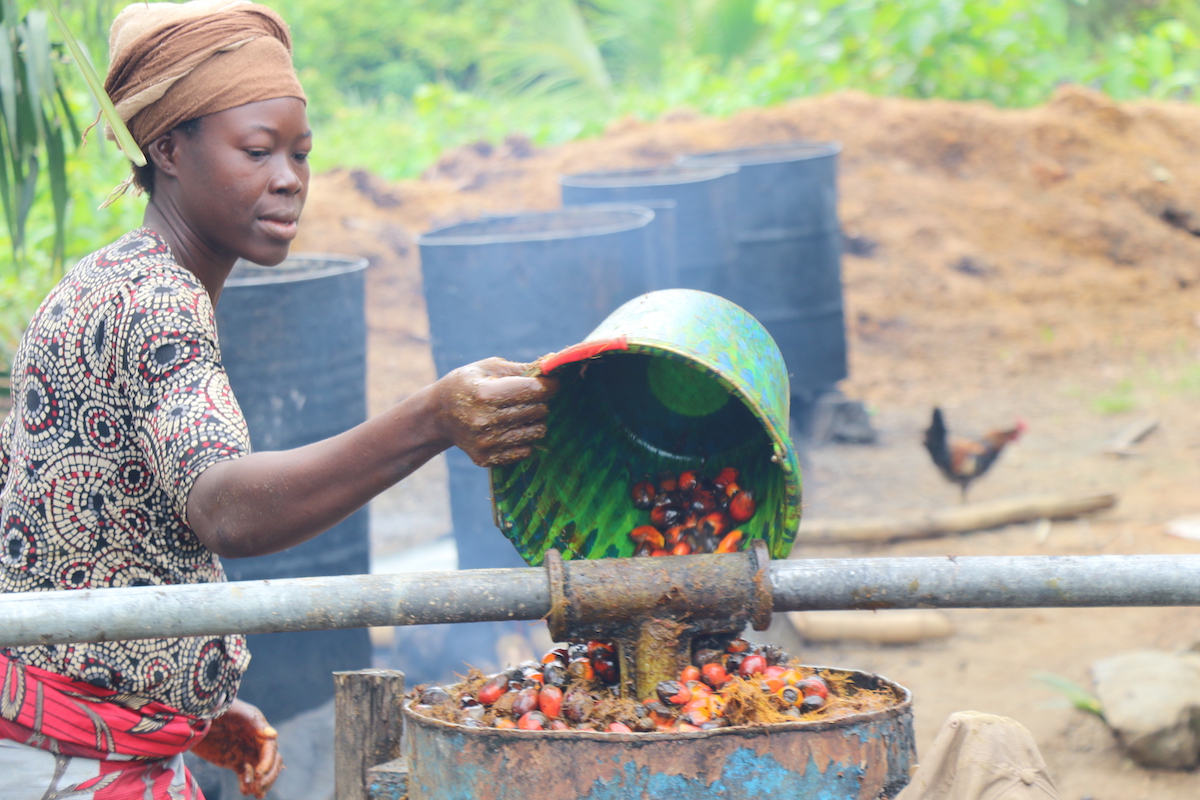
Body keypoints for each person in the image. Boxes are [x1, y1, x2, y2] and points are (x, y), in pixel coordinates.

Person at [0, 1, 557, 797]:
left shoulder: (97, 282)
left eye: (300, 153)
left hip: (72, 734)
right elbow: (228, 510)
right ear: (167, 148)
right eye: (257, 151)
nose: (289, 179)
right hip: (73, 763)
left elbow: (55, 531)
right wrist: (431, 418)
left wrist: (189, 707)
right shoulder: (158, 301)